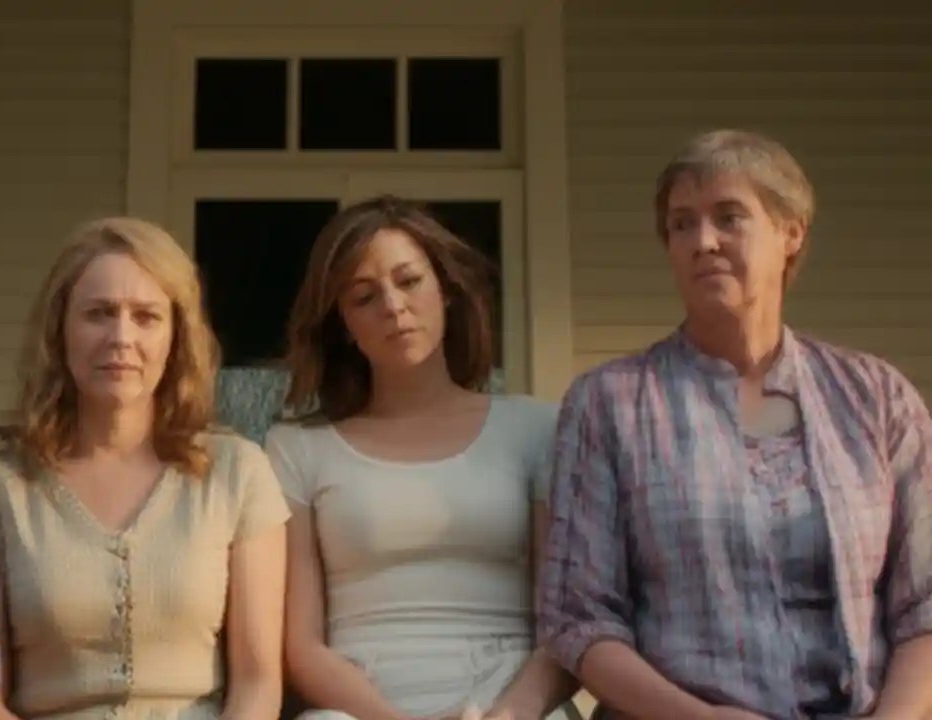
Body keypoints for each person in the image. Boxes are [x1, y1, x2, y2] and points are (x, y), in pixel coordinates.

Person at [538, 129, 932, 720]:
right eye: (681, 224)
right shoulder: (610, 403)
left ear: (791, 233)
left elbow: (925, 605)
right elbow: (578, 618)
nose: (704, 242)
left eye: (729, 217)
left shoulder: (875, 397)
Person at [265, 196, 578, 720]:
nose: (393, 306)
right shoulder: (297, 447)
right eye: (364, 297)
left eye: (409, 281)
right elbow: (302, 646)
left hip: (509, 699)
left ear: (446, 290)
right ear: (343, 324)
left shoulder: (535, 428)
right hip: (361, 707)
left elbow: (566, 624)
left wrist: (510, 714)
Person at [0, 217, 290, 720]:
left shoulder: (237, 473)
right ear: (60, 330)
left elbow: (258, 681)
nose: (121, 336)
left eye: (146, 317)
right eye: (98, 314)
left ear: (176, 336)